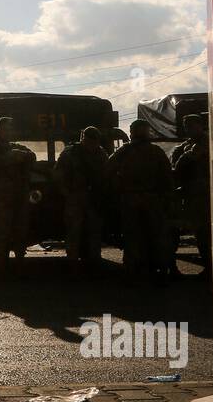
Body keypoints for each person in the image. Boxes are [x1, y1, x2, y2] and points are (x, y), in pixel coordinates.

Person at [108, 118, 174, 282]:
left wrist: (119, 190)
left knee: (133, 236)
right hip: (151, 198)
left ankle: (133, 271)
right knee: (155, 234)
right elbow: (167, 176)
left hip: (131, 198)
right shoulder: (155, 151)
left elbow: (108, 170)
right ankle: (159, 269)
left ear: (132, 132)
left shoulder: (124, 152)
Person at [55, 125, 110, 277]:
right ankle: (73, 264)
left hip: (93, 199)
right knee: (74, 232)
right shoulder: (71, 153)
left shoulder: (101, 154)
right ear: (83, 139)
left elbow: (107, 174)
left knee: (94, 231)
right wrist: (66, 193)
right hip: (76, 197)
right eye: (89, 140)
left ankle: (93, 262)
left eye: (94, 141)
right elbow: (59, 175)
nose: (92, 144)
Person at [0, 116, 36, 274]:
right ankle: (0, 267)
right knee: (2, 233)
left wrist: (18, 154)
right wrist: (12, 157)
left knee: (21, 232)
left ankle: (20, 264)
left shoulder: (17, 146)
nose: (7, 132)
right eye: (5, 129)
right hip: (2, 198)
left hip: (20, 195)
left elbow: (31, 156)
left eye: (10, 129)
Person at [173, 114, 212, 274]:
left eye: (192, 125)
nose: (189, 129)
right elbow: (176, 170)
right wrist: (187, 156)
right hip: (195, 197)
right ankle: (209, 267)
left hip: (211, 194)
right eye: (187, 126)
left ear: (200, 125)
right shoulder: (183, 148)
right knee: (202, 233)